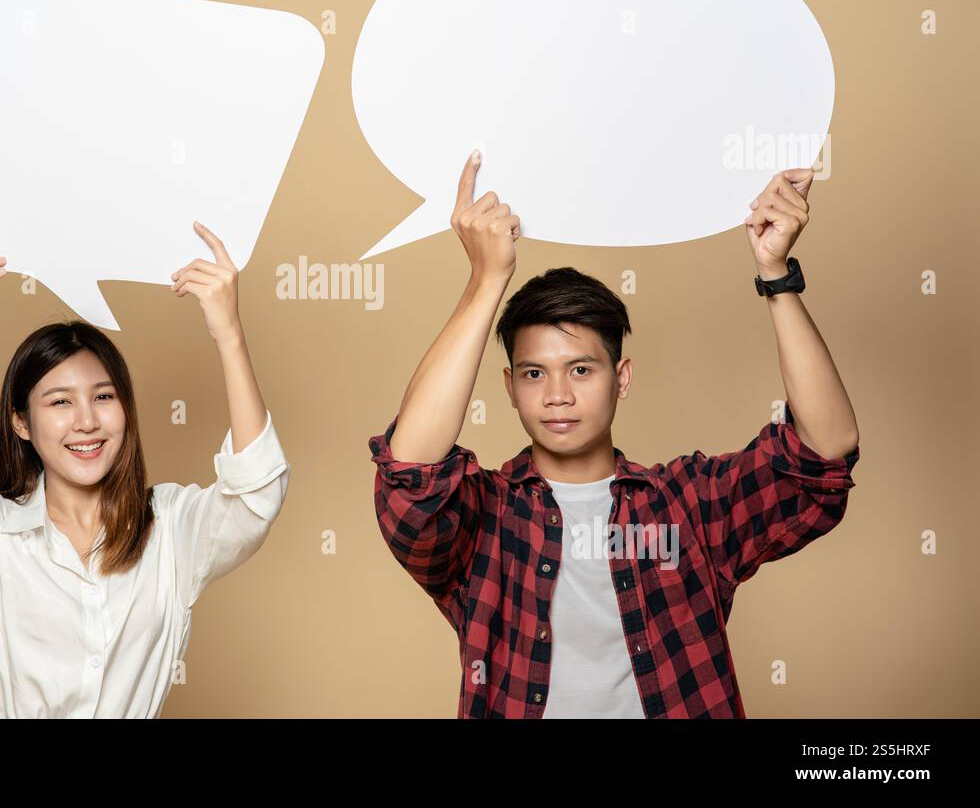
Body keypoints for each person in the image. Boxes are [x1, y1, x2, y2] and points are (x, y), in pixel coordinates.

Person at [369, 150, 860, 718]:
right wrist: (486, 281)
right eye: (534, 373)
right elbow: (410, 478)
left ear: (620, 379)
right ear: (509, 386)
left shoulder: (688, 506)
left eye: (581, 369)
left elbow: (825, 452)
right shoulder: (486, 519)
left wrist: (776, 273)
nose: (557, 394)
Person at [0, 221, 288, 718]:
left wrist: (229, 334)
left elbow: (257, 496)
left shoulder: (169, 529)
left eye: (103, 396)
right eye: (60, 401)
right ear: (21, 423)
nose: (86, 421)